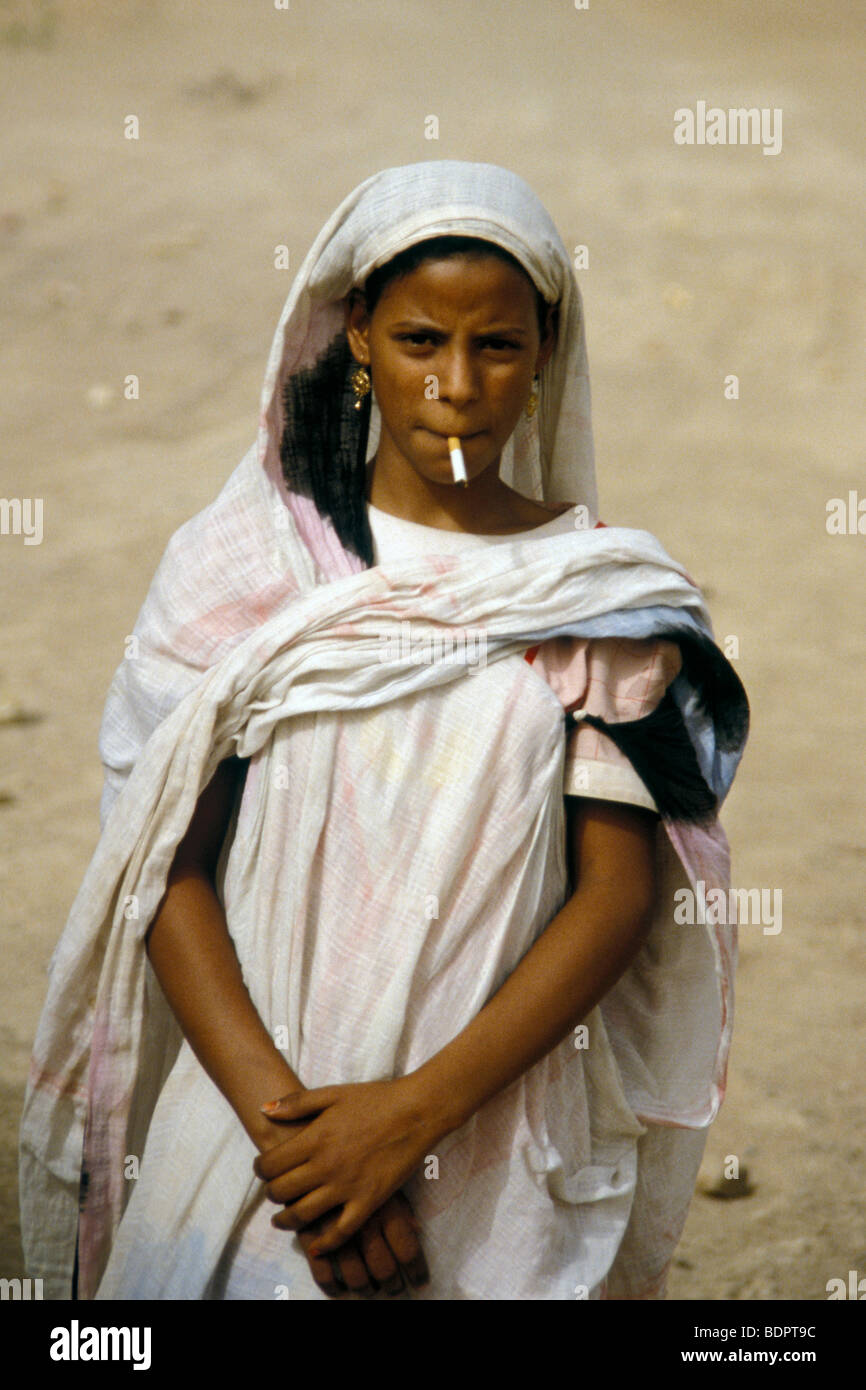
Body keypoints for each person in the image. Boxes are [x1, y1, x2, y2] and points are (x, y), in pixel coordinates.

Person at [19, 161, 748, 1301]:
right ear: (355, 333)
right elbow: (166, 862)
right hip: (254, 1128)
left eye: (496, 346)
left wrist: (404, 1121)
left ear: (545, 351)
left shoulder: (597, 594)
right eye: (418, 340)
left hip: (488, 1131)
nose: (456, 385)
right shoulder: (246, 573)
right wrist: (303, 1152)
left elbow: (615, 894)